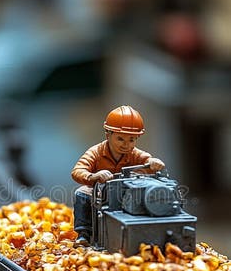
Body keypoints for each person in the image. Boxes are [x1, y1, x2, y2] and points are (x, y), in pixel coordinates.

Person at [71, 105, 165, 245]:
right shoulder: (95, 152)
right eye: (120, 139)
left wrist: (153, 162)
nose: (126, 145)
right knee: (81, 194)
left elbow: (147, 160)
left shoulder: (135, 154)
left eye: (131, 140)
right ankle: (84, 233)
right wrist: (94, 176)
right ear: (108, 135)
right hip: (101, 193)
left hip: (128, 193)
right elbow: (77, 171)